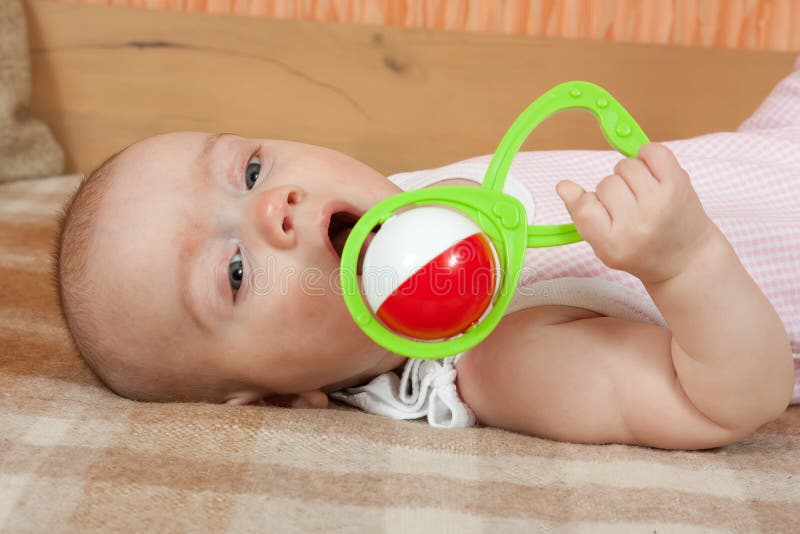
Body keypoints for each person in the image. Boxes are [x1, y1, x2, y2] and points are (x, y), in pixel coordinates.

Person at [54, 61, 800, 450]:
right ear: (283, 398)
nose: (270, 205)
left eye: (250, 170)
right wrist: (685, 262)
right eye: (237, 272)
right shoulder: (492, 362)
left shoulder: (403, 206)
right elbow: (731, 400)